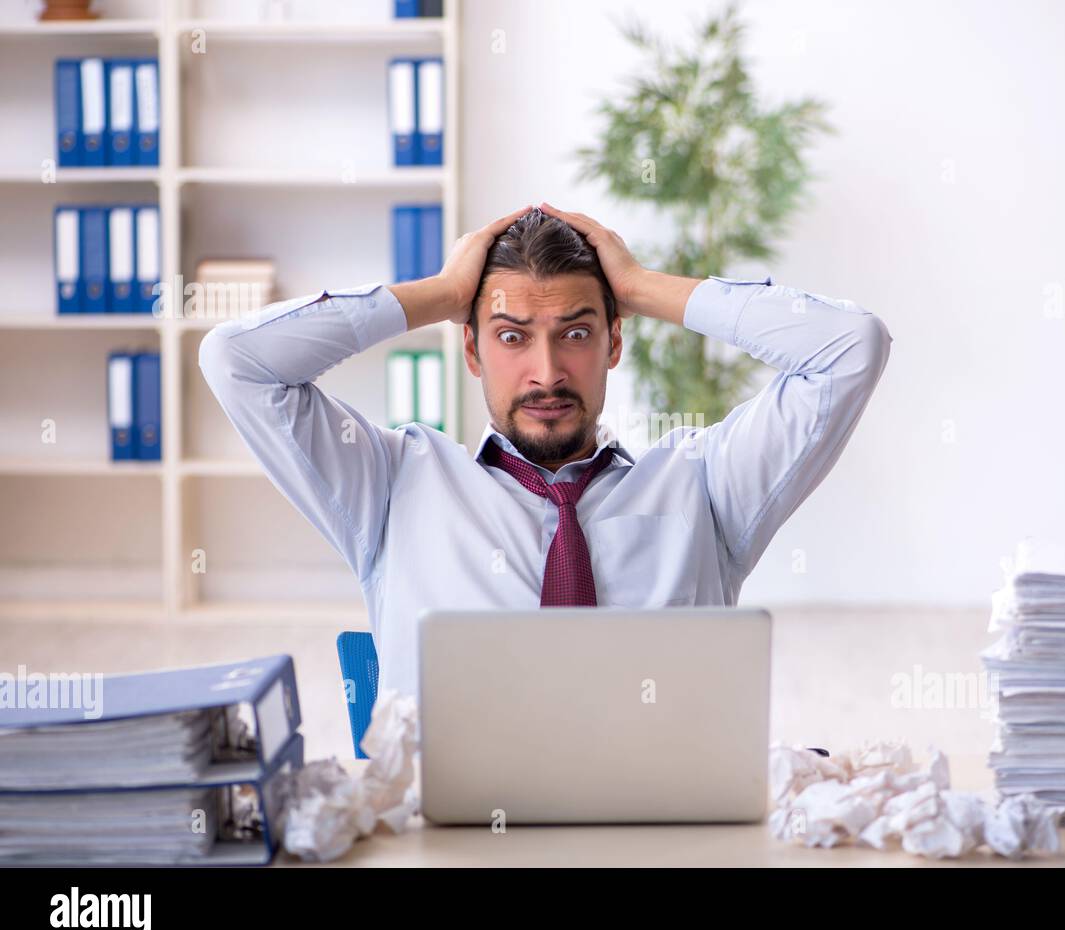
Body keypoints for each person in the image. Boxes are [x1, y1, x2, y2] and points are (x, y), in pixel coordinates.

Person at [198, 202, 892, 696]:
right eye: (510, 335)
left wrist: (643, 287)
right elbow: (237, 360)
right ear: (469, 346)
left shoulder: (705, 484)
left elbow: (851, 348)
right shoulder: (391, 482)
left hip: (653, 834)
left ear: (615, 341)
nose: (547, 371)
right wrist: (440, 293)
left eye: (578, 332)